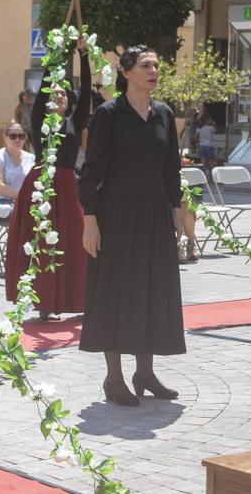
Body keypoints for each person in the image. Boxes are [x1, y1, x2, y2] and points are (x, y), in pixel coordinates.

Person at [80, 45, 186, 407]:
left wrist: (177, 214)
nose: (153, 70)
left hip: (154, 215)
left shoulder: (164, 114)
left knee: (152, 291)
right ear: (125, 73)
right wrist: (90, 221)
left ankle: (145, 373)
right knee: (114, 292)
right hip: (116, 215)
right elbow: (91, 170)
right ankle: (114, 378)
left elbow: (171, 169)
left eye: (156, 65)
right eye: (145, 65)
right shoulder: (108, 114)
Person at [5, 39, 92, 321]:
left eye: (63, 95)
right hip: (40, 186)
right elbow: (42, 93)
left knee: (74, 242)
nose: (58, 97)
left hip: (66, 186)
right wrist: (57, 53)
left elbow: (87, 92)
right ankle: (43, 302)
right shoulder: (41, 120)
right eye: (54, 94)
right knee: (41, 243)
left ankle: (76, 297)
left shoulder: (74, 123)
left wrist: (83, 55)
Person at [0, 123, 35, 221]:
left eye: (21, 136)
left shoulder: (31, 158)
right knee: (28, 216)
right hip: (2, 203)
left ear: (25, 138)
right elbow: (0, 187)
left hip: (25, 202)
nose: (17, 139)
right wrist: (24, 196)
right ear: (5, 137)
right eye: (12, 136)